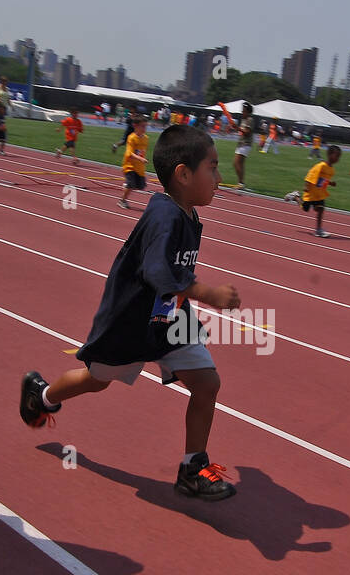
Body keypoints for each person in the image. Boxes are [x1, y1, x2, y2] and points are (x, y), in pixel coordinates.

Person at [19, 124, 242, 500]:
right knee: (96, 380)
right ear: (183, 174)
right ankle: (39, 396)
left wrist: (188, 304)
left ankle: (192, 467)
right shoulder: (165, 218)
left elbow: (173, 273)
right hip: (131, 325)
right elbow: (157, 272)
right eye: (213, 167)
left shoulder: (188, 214)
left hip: (169, 319)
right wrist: (209, 294)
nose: (220, 178)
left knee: (207, 383)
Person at [302, 145, 341, 238]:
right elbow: (310, 175)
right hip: (311, 192)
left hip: (320, 194)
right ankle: (295, 197)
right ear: (329, 155)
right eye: (336, 156)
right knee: (305, 209)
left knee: (320, 209)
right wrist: (306, 186)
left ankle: (318, 230)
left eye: (339, 157)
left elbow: (324, 180)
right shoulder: (320, 166)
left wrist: (331, 183)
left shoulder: (332, 170)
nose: (337, 159)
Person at [118, 116, 150, 209]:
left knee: (140, 186)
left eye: (145, 126)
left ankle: (126, 185)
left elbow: (142, 152)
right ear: (135, 126)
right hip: (130, 165)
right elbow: (129, 153)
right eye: (142, 126)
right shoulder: (131, 138)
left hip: (139, 167)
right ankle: (122, 200)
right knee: (131, 184)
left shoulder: (146, 138)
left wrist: (142, 160)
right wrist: (140, 159)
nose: (144, 129)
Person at [233, 102, 255, 189]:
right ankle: (241, 183)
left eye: (244, 111)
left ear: (248, 112)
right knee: (238, 164)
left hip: (245, 144)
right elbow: (242, 131)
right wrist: (236, 128)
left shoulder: (249, 120)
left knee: (237, 163)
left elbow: (247, 133)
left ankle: (241, 183)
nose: (242, 112)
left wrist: (237, 128)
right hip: (241, 143)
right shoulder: (244, 120)